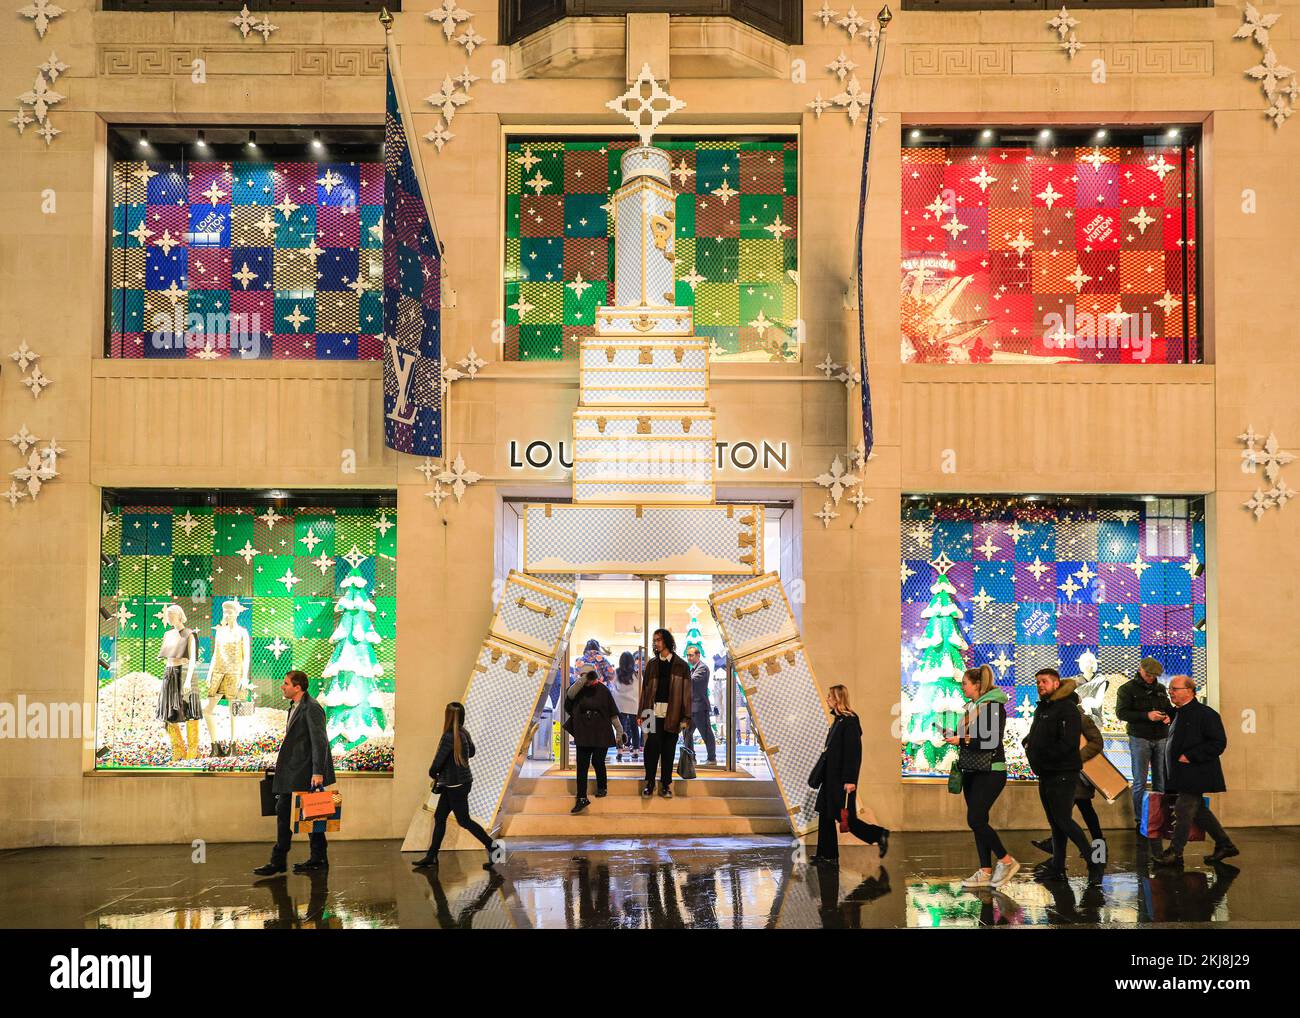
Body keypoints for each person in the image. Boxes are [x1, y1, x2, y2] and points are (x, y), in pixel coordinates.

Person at [253, 670, 336, 876]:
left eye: (286, 683)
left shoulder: (312, 708)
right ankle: (287, 859)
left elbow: (320, 742)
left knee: (312, 814)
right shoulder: (296, 706)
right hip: (294, 771)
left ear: (297, 687)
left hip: (305, 772)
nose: (283, 686)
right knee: (287, 812)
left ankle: (313, 858)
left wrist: (317, 772)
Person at [1024, 668, 1102, 884]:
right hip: (1046, 772)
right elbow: (1038, 734)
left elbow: (1067, 744)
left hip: (1063, 772)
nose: (1040, 685)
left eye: (1045, 681)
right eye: (1038, 681)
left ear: (1056, 684)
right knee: (1055, 822)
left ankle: (1093, 860)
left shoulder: (1067, 708)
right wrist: (1028, 744)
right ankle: (1057, 865)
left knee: (1063, 820)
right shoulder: (1043, 708)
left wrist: (1044, 754)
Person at [944, 664, 1018, 889]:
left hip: (991, 771)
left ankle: (1006, 861)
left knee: (975, 819)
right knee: (979, 822)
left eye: (965, 683)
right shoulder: (974, 707)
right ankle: (985, 870)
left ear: (977, 685)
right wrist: (956, 736)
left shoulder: (993, 706)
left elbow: (991, 741)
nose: (962, 687)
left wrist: (962, 740)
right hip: (973, 770)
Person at [1154, 675, 1239, 867]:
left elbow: (1218, 743)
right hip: (1183, 773)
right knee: (1199, 811)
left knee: (1183, 809)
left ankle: (1174, 852)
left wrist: (1191, 755)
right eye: (1170, 689)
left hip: (1196, 772)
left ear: (1190, 691)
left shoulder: (1205, 714)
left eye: (1175, 689)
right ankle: (1225, 845)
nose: (1171, 693)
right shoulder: (1179, 713)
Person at [412, 701, 501, 871]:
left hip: (454, 785)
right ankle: (432, 856)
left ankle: (494, 848)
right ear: (462, 716)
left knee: (464, 820)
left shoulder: (448, 736)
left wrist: (433, 773)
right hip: (460, 783)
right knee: (439, 817)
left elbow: (437, 763)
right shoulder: (463, 733)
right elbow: (472, 752)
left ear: (447, 716)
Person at [809, 684, 889, 866]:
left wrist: (850, 780)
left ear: (838, 699)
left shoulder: (850, 721)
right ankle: (827, 855)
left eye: (830, 696)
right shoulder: (839, 720)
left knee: (846, 818)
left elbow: (854, 753)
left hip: (841, 780)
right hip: (830, 778)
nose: (827, 699)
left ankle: (879, 834)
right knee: (825, 813)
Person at [1032, 703, 1106, 864]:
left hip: (1079, 773)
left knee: (1064, 815)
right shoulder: (1056, 718)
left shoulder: (1081, 719)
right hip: (1068, 772)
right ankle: (1098, 847)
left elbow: (1096, 742)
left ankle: (1084, 850)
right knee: (1082, 809)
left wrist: (1075, 758)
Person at [1115, 657, 1173, 830]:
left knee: (1160, 781)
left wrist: (1168, 716)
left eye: (1154, 675)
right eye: (1148, 674)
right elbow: (1121, 713)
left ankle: (1158, 817)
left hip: (1161, 737)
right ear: (1140, 669)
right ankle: (1141, 820)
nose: (1150, 678)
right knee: (1140, 781)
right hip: (1140, 737)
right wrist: (1146, 716)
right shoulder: (1126, 689)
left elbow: (1168, 708)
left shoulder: (1161, 689)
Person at [638, 628, 691, 798]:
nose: (656, 643)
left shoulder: (682, 666)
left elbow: (686, 694)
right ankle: (650, 783)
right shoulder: (652, 664)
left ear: (667, 641)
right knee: (651, 749)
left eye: (659, 640)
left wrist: (686, 717)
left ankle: (666, 785)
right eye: (655, 640)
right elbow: (645, 691)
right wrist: (641, 714)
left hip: (673, 714)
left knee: (669, 750)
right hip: (651, 713)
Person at [565, 663, 621, 813]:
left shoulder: (603, 690)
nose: (589, 679)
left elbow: (612, 713)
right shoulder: (578, 689)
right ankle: (581, 797)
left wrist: (619, 731)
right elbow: (569, 696)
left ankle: (602, 786)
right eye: (584, 675)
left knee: (597, 760)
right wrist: (582, 681)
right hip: (583, 731)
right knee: (582, 765)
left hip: (601, 731)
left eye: (590, 675)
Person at [682, 645, 717, 765]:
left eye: (691, 655)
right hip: (691, 708)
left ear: (698, 655)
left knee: (706, 733)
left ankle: (712, 758)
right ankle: (691, 758)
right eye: (687, 655)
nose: (689, 658)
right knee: (687, 733)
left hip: (700, 708)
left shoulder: (702, 668)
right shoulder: (692, 669)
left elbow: (691, 681)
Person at [612, 651, 641, 763]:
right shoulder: (636, 674)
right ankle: (636, 750)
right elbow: (641, 688)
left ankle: (620, 751)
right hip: (634, 704)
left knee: (620, 729)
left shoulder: (617, 673)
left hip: (620, 704)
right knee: (635, 728)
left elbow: (613, 687)